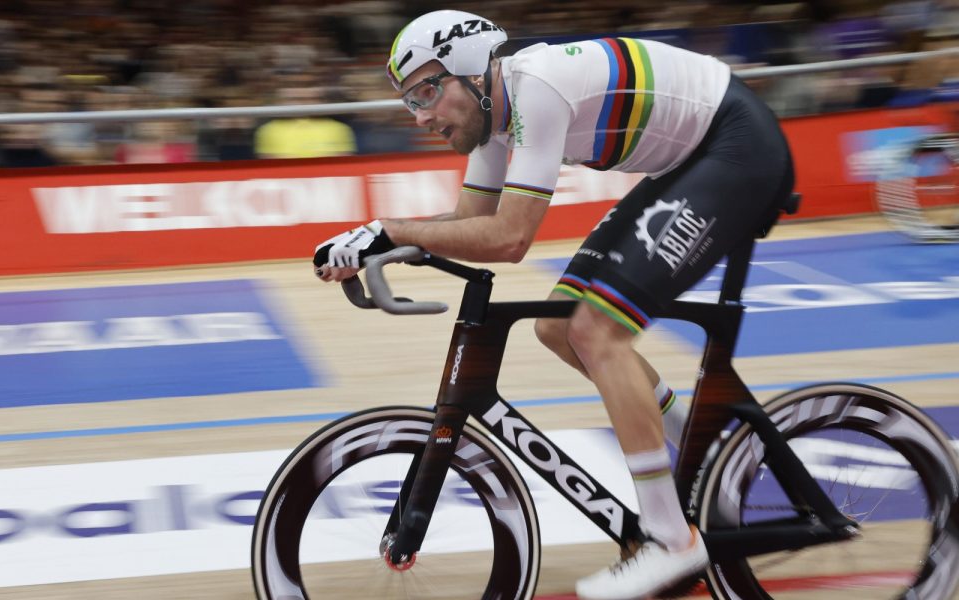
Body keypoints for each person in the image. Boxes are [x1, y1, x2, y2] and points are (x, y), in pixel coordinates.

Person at [312, 9, 794, 600]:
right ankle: (705, 449)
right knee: (557, 329)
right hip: (689, 163)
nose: (421, 115)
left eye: (428, 92)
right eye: (411, 101)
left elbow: (509, 239)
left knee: (596, 332)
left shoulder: (536, 89)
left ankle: (673, 541)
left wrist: (391, 231)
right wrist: (373, 241)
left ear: (472, 72)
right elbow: (468, 222)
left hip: (737, 147)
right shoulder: (492, 120)